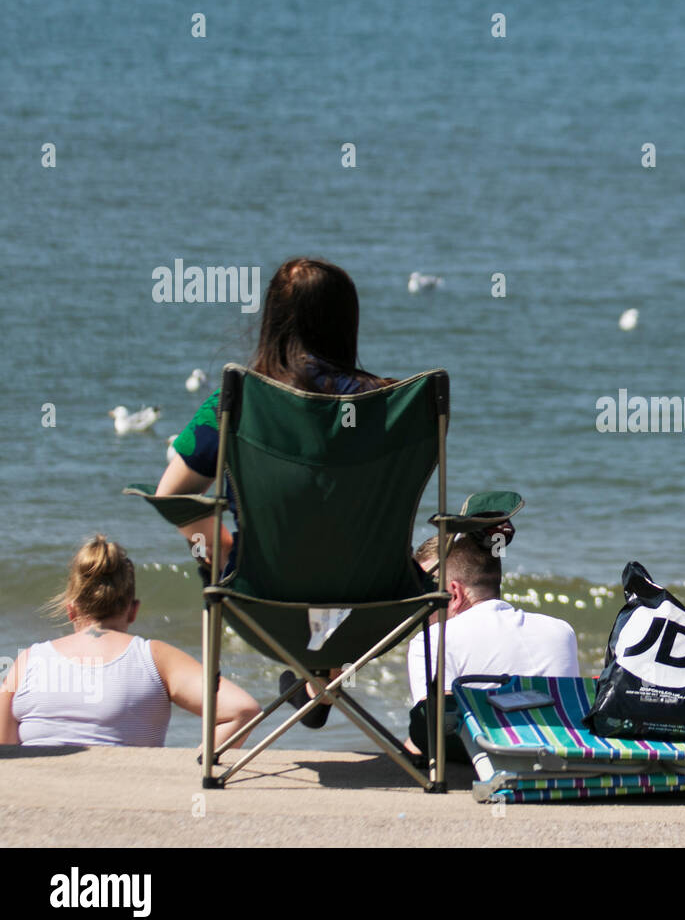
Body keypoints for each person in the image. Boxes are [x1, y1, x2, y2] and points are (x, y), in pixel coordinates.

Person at [155, 257, 395, 728]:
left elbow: (171, 497)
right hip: (375, 599)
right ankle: (320, 677)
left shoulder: (234, 402)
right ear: (347, 323)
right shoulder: (387, 405)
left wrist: (221, 549)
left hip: (262, 594)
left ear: (273, 322)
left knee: (282, 546)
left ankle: (312, 676)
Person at [0, 535, 261, 747]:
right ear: (134, 610)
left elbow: (7, 756)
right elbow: (242, 710)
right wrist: (196, 768)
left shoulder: (28, 661)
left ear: (71, 610)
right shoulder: (154, 659)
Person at [405, 532, 579, 758]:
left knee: (419, 731)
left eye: (426, 590)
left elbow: (437, 729)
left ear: (454, 593)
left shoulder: (432, 640)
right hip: (560, 751)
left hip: (494, 753)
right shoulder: (561, 631)